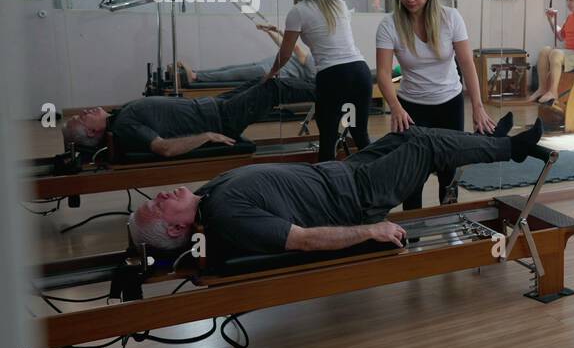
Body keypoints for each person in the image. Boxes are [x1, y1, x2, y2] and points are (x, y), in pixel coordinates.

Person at [126, 115, 543, 262]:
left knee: (409, 134)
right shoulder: (224, 217)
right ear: (177, 230)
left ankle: (486, 142)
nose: (160, 196)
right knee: (425, 144)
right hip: (357, 199)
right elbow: (303, 240)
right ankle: (510, 148)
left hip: (345, 171)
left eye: (156, 199)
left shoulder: (207, 195)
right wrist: (371, 230)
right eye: (158, 208)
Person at [376, 0, 493, 208]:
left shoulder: (450, 18)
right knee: (412, 174)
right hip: (411, 107)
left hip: (449, 102)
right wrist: (396, 108)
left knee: (448, 170)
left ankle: (449, 223)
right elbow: (384, 74)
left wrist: (478, 107)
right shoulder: (389, 24)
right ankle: (412, 234)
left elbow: (467, 63)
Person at [268, 0, 371, 162]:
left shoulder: (298, 11)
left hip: (333, 76)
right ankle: (378, 182)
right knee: (360, 134)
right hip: (360, 71)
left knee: (328, 138)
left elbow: (285, 53)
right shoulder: (337, 3)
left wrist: (270, 73)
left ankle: (326, 189)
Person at [61, 76, 316, 157]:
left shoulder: (120, 115)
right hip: (220, 119)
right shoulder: (125, 126)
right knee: (272, 89)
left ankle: (325, 85)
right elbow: (164, 148)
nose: (84, 112)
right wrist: (204, 137)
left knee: (262, 81)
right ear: (93, 133)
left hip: (217, 105)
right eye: (81, 119)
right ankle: (332, 87)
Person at [174, 25, 316, 85]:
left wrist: (278, 30)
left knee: (232, 74)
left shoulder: (315, 68)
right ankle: (194, 73)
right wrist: (270, 32)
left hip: (267, 71)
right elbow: (286, 46)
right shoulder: (316, 60)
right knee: (229, 69)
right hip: (265, 64)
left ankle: (195, 77)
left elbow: (294, 47)